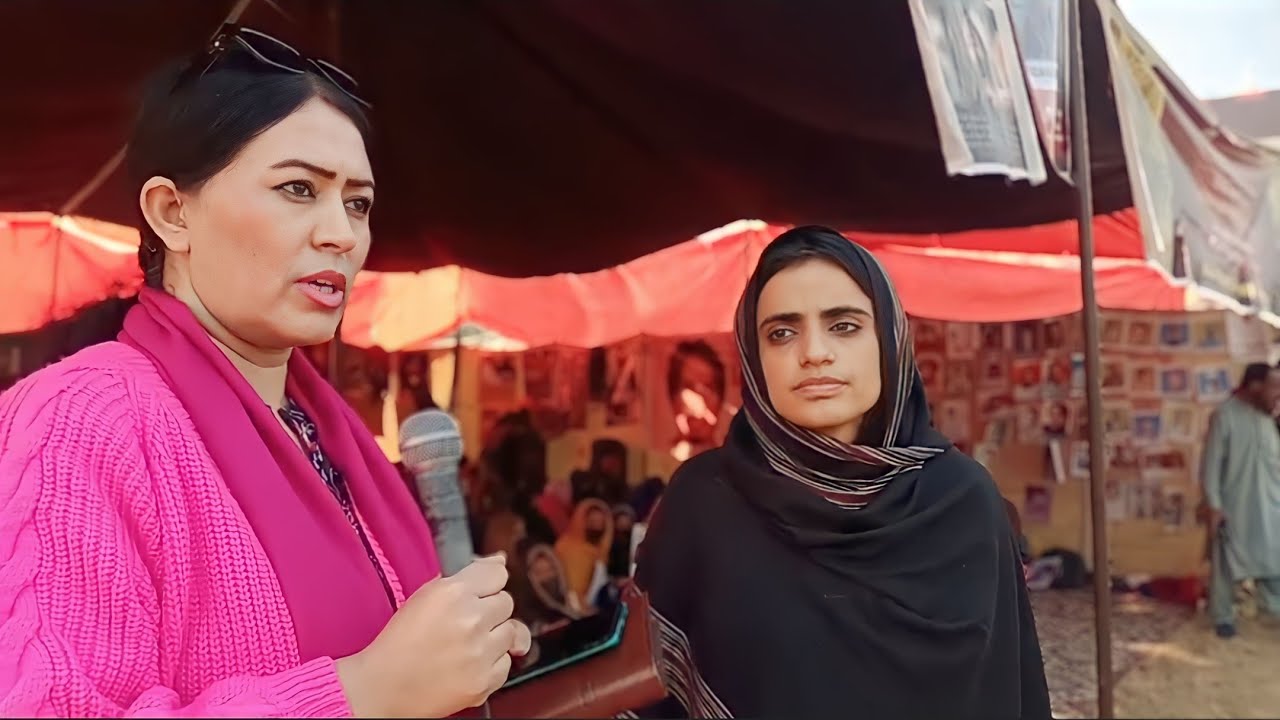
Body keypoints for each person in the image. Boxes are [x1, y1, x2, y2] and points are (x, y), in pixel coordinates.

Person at [0, 26, 529, 717]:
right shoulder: (80, 420)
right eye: (298, 189)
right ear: (171, 213)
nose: (341, 233)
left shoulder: (328, 435)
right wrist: (361, 693)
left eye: (357, 202)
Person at [633, 226, 1050, 718]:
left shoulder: (963, 502)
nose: (813, 352)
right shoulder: (704, 502)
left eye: (844, 326)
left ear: (889, 342)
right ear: (754, 355)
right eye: (781, 332)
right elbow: (649, 689)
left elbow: (1008, 687)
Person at [1201, 362, 1280, 639]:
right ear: (1255, 386)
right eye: (1274, 386)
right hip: (1235, 507)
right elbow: (1211, 465)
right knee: (1226, 563)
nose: (1277, 392)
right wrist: (1214, 505)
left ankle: (1273, 607)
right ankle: (1223, 616)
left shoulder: (1268, 417)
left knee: (1275, 556)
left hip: (1270, 504)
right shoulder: (1225, 415)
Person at [554, 499, 614, 611]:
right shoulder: (570, 548)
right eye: (592, 522)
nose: (596, 526)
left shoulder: (600, 551)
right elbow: (573, 589)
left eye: (600, 523)